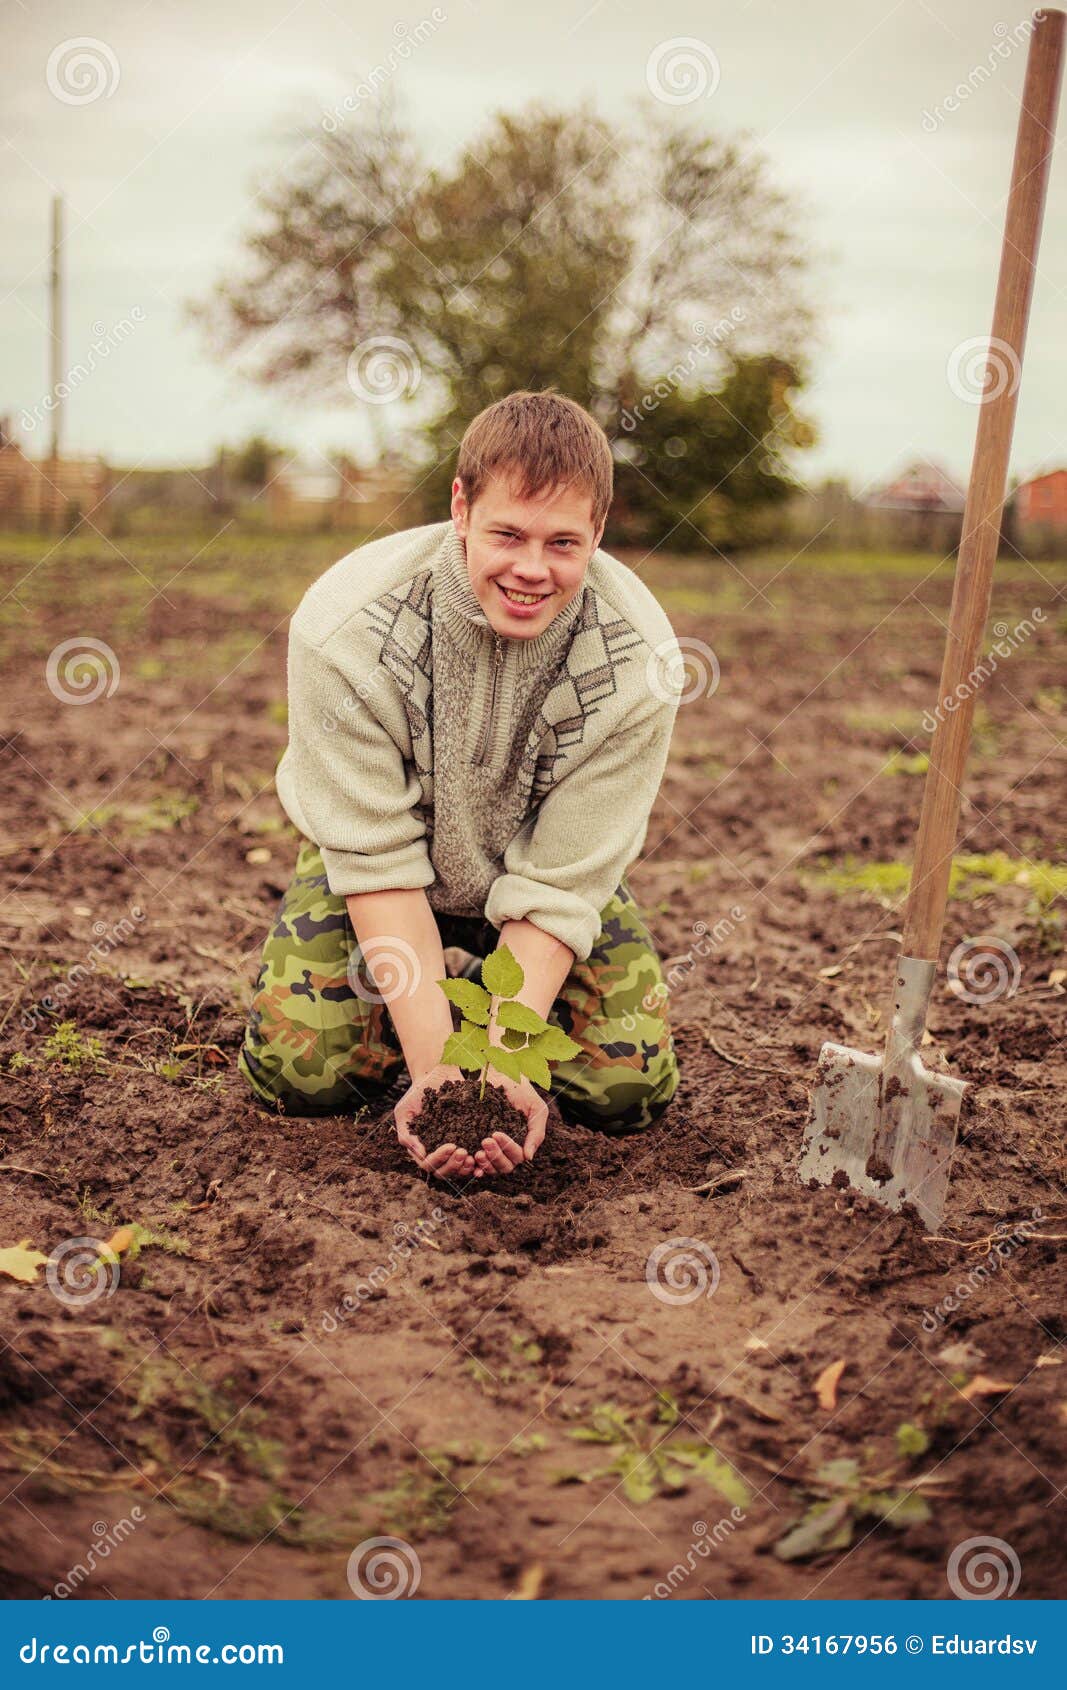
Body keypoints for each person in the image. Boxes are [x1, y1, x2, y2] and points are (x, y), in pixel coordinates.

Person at [238, 389, 684, 1179]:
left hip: (540, 882)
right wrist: (442, 1076)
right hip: (379, 875)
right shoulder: (344, 628)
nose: (531, 569)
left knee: (624, 1093)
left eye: (562, 543)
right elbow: (375, 860)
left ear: (598, 532)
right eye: (506, 534)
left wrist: (498, 1070)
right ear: (460, 507)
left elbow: (560, 885)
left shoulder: (640, 662)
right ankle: (425, 991)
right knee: (302, 1076)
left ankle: (469, 981)